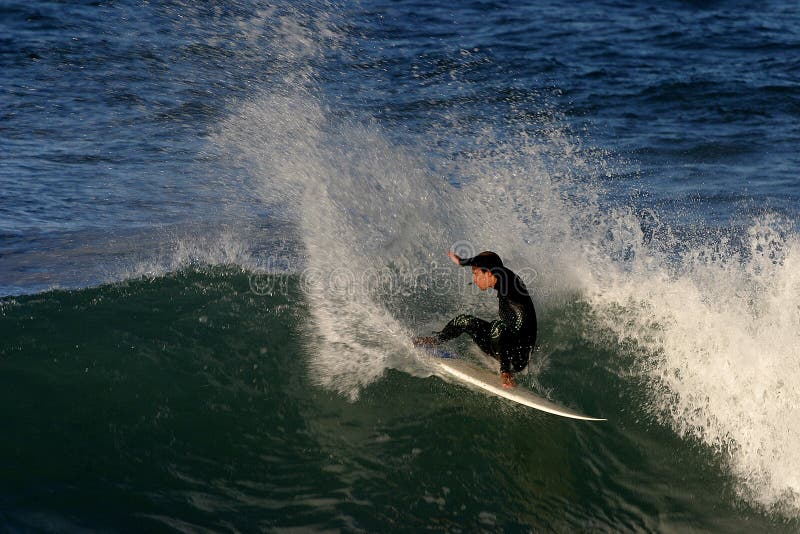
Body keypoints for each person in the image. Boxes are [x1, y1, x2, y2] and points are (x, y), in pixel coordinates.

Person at [414, 250, 537, 388]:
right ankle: (435, 341)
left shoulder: (510, 284)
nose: (474, 279)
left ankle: (506, 373)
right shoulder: (501, 281)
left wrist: (462, 261)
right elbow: (490, 261)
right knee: (464, 321)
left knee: (497, 327)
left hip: (518, 355)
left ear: (489, 273)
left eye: (476, 274)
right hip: (504, 344)